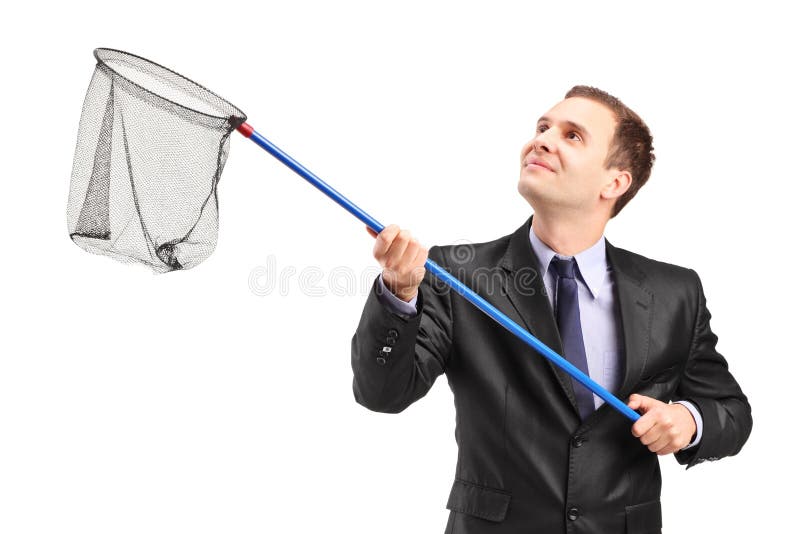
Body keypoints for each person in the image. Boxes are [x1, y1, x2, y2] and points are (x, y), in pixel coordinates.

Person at [351, 86, 752, 534]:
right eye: (542, 127)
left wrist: (688, 420)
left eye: (572, 135)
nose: (541, 140)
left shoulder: (676, 292)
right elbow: (381, 393)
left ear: (614, 182)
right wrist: (398, 293)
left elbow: (732, 412)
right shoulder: (456, 274)